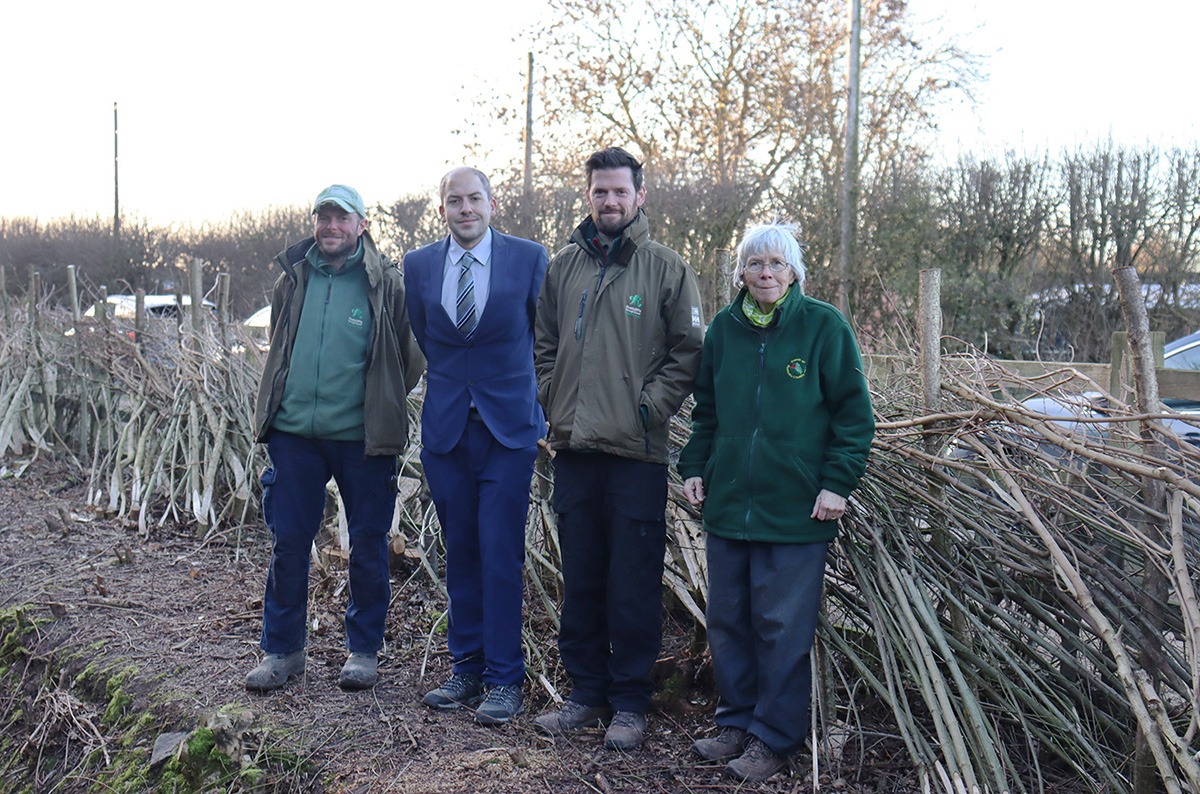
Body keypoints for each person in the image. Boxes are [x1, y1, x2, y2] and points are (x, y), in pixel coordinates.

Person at [677, 223, 874, 782]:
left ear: (795, 273)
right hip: (730, 505)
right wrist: (695, 467)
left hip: (797, 511)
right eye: (756, 264)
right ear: (740, 271)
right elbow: (707, 411)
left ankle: (774, 736)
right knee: (728, 619)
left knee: (780, 625)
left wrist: (837, 482)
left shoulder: (823, 327)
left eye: (777, 265)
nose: (766, 273)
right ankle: (735, 720)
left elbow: (854, 418)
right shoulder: (723, 330)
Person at [533, 147, 704, 750]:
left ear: (640, 196)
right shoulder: (563, 267)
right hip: (575, 450)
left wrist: (644, 410)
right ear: (588, 196)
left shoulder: (666, 268)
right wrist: (553, 399)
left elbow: (688, 352)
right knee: (581, 577)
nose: (610, 201)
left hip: (636, 455)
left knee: (631, 583)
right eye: (599, 191)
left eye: (620, 192)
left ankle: (630, 702)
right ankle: (586, 693)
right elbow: (544, 344)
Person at [246, 184, 424, 693]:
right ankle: (282, 652)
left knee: (367, 544)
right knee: (289, 545)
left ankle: (363, 651)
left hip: (362, 438)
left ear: (362, 225)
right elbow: (281, 342)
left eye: (342, 218)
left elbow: (408, 357)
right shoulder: (293, 278)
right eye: (324, 217)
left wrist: (380, 400)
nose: (331, 226)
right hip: (294, 434)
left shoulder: (386, 282)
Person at [403, 168, 548, 725]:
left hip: (508, 430)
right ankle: (465, 667)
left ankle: (505, 678)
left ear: (492, 203)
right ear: (442, 208)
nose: (466, 209)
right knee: (459, 549)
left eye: (474, 199)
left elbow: (542, 336)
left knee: (501, 552)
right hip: (445, 431)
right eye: (454, 201)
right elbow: (426, 333)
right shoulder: (417, 266)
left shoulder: (529, 259)